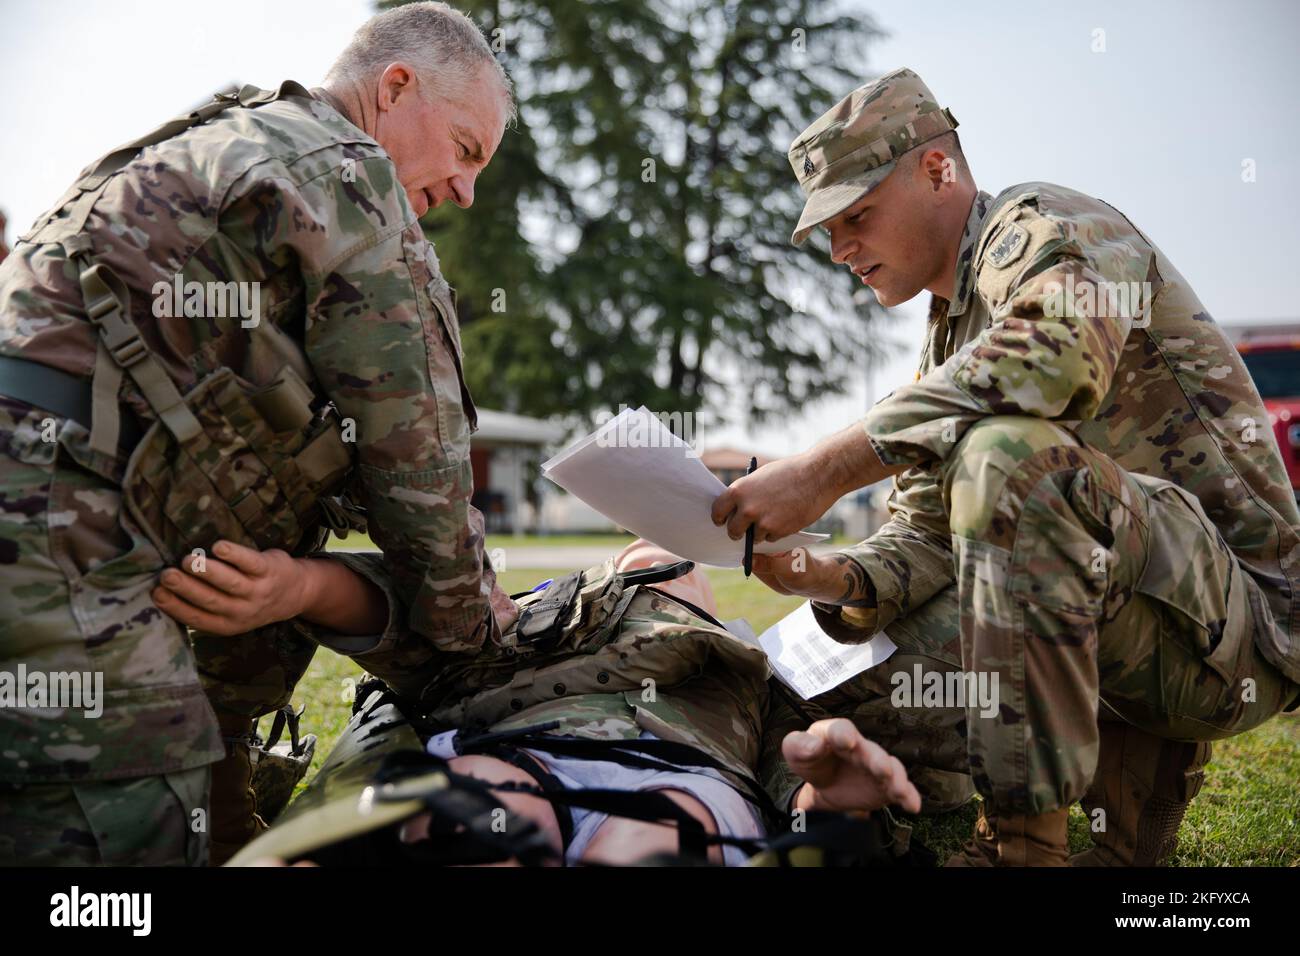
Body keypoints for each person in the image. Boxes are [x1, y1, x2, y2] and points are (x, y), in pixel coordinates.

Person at [713, 68, 1300, 865]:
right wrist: (819, 573)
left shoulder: (1050, 223)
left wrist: (821, 468)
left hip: (1240, 634)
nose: (841, 249)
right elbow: (923, 533)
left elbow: (1057, 365)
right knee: (792, 695)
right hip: (1137, 628)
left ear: (936, 171)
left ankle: (1023, 844)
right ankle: (982, 792)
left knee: (1010, 459)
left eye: (857, 216)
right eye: (827, 231)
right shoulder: (948, 338)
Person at [0, 2, 517, 865]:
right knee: (127, 858)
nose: (465, 190)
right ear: (395, 87)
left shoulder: (199, 141)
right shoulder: (353, 178)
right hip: (61, 527)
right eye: (466, 149)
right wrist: (477, 638)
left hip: (57, 500)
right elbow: (419, 466)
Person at [154, 537, 921, 866]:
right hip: (523, 751)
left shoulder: (759, 671)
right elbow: (410, 620)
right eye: (648, 558)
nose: (674, 569)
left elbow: (800, 791)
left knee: (654, 843)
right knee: (488, 815)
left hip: (685, 779)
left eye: (689, 571)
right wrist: (299, 585)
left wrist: (836, 793)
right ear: (615, 574)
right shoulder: (552, 611)